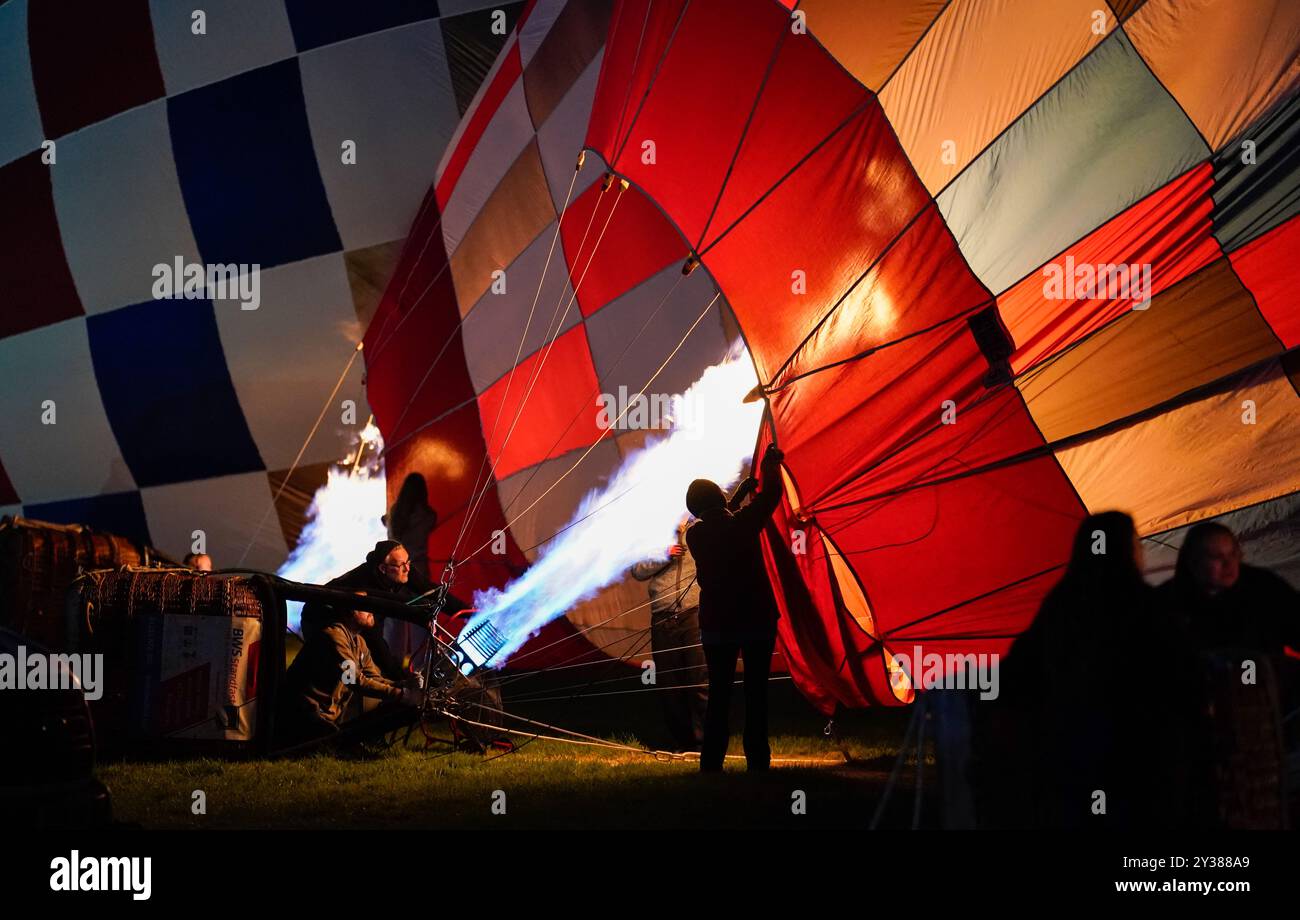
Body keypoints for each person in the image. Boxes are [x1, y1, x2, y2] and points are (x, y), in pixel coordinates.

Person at [1000, 511, 1167, 828]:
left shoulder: (1062, 602)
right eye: (1136, 544)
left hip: (1065, 752)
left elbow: (1018, 669)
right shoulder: (1144, 604)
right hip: (1134, 755)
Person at [684, 444, 783, 772]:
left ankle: (711, 764)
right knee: (757, 693)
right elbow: (771, 497)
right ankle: (758, 762)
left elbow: (721, 517)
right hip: (756, 618)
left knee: (719, 696)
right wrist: (771, 464)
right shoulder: (742, 524)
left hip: (717, 624)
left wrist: (738, 495)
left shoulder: (695, 534)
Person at [277, 591, 423, 751]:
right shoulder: (333, 637)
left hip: (327, 715)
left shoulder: (358, 641)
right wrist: (401, 695)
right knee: (341, 747)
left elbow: (373, 677)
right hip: (307, 714)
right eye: (364, 608)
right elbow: (353, 680)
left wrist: (404, 684)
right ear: (349, 613)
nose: (371, 612)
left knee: (354, 740)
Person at [299, 540, 462, 682]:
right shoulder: (364, 586)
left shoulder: (402, 569)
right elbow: (374, 638)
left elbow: (432, 592)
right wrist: (400, 680)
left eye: (408, 562)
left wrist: (468, 612)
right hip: (319, 620)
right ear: (383, 568)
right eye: (401, 565)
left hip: (358, 623)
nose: (407, 569)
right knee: (340, 671)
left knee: (367, 666)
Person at [631, 520, 708, 752]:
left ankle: (705, 742)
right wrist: (664, 554)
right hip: (663, 613)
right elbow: (637, 569)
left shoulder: (702, 527)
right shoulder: (655, 528)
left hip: (694, 611)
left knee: (699, 680)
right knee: (670, 684)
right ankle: (681, 742)